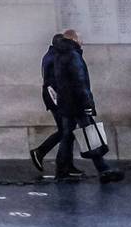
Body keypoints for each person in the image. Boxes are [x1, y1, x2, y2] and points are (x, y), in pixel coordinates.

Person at [50, 30, 123, 183]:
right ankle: (103, 169)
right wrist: (88, 103)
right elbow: (80, 82)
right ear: (74, 39)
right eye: (80, 38)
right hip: (77, 103)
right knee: (90, 134)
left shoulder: (58, 55)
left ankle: (61, 169)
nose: (82, 41)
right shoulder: (73, 55)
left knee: (67, 136)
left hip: (66, 103)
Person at [30, 33, 67, 173]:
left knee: (66, 131)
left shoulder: (50, 55)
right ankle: (40, 152)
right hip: (56, 98)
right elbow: (55, 83)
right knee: (65, 131)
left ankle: (64, 164)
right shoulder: (55, 58)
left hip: (54, 97)